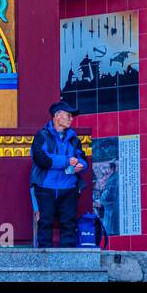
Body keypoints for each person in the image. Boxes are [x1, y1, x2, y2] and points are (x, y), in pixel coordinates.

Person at [31, 100, 89, 247]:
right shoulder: (42, 136)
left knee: (69, 224)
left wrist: (81, 165)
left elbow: (82, 157)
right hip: (45, 187)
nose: (71, 119)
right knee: (45, 223)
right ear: (57, 116)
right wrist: (67, 161)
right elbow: (41, 159)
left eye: (71, 116)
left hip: (69, 188)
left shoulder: (74, 138)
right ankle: (44, 261)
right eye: (68, 115)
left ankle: (67, 262)